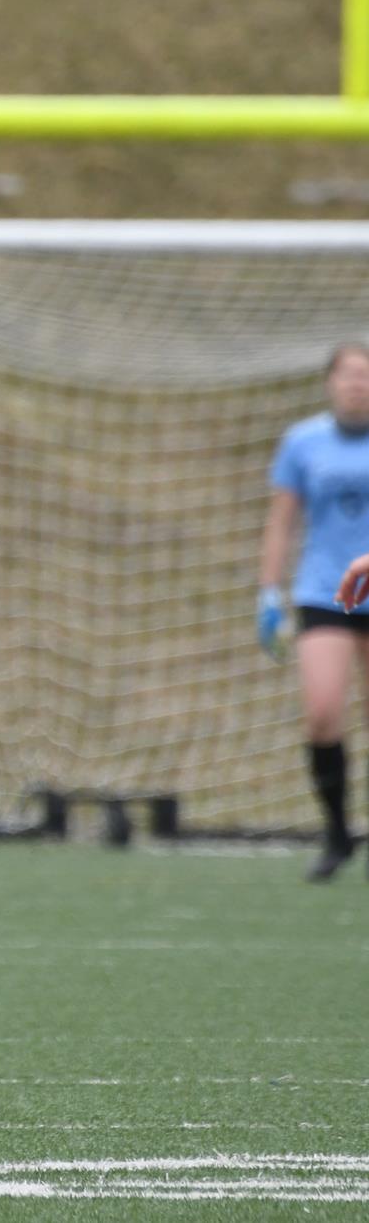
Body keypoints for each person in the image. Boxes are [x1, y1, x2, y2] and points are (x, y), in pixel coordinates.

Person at [260, 341, 369, 881]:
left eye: (366, 375)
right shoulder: (303, 442)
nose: (358, 383)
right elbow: (282, 520)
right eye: (349, 374)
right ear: (330, 381)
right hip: (324, 593)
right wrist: (268, 592)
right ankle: (337, 833)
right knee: (324, 712)